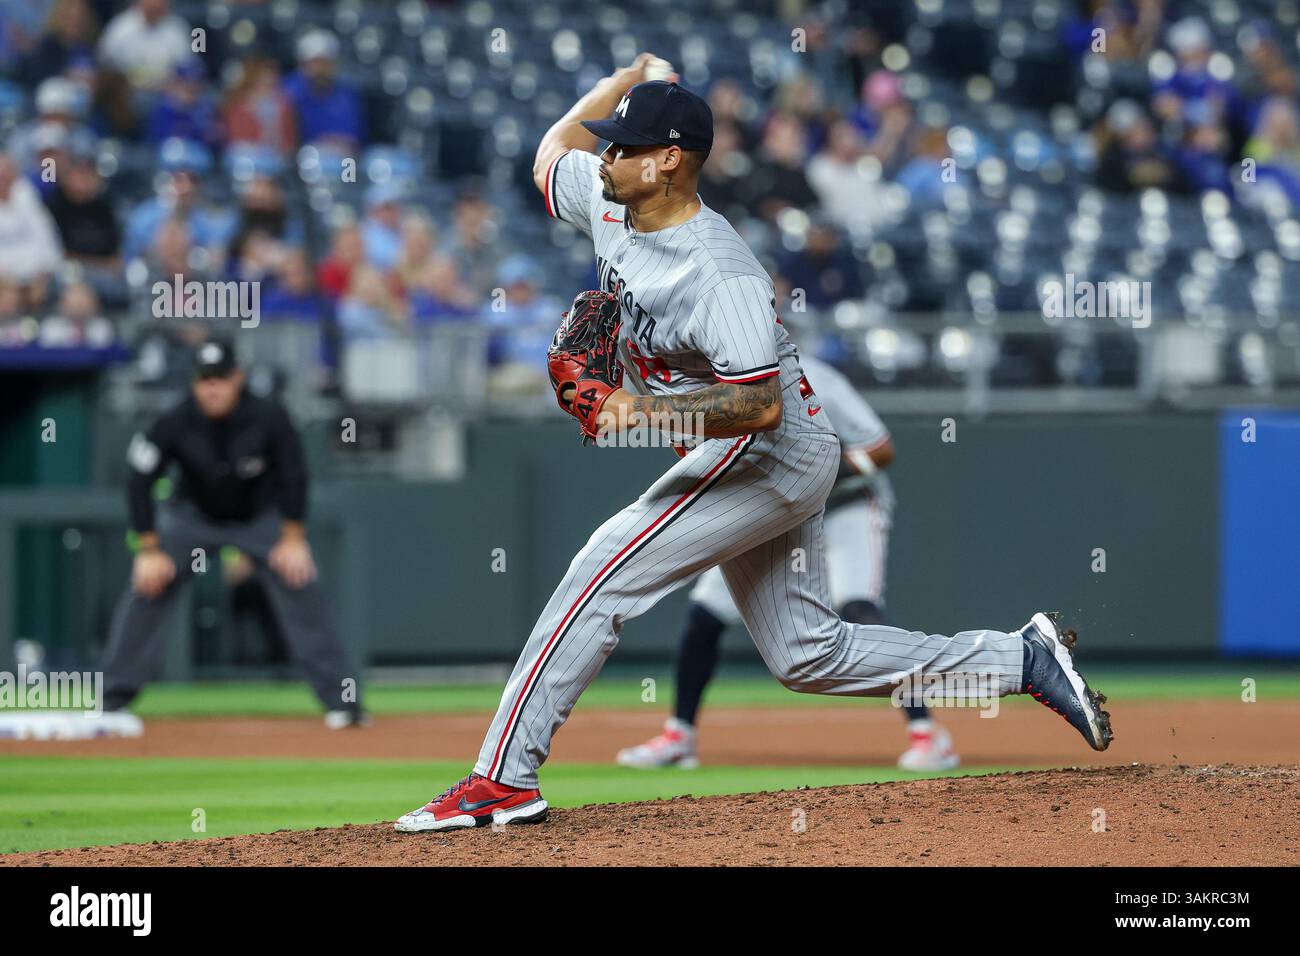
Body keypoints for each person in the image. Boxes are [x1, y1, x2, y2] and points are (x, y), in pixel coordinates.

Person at [395, 56, 1113, 834]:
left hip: (774, 450)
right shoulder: (610, 202)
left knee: (600, 570)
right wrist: (624, 77)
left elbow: (759, 405)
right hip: (765, 446)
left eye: (624, 146)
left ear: (668, 161)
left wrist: (634, 413)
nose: (604, 158)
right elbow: (549, 152)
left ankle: (503, 779)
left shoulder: (719, 271)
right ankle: (1019, 660)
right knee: (808, 654)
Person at [615, 355, 960, 773]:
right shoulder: (718, 388)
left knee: (858, 609)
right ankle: (679, 737)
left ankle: (927, 734)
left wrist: (812, 473)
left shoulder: (818, 377)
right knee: (705, 614)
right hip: (772, 507)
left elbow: (879, 448)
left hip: (844, 505)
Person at [98, 340, 365, 728]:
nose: (212, 388)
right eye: (204, 380)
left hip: (258, 517)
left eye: (220, 379)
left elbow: (294, 474)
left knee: (300, 581)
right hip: (192, 516)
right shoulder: (174, 420)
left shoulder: (268, 415)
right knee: (148, 586)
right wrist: (149, 548)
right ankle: (111, 700)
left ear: (237, 377)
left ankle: (343, 702)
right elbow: (139, 480)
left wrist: (292, 538)